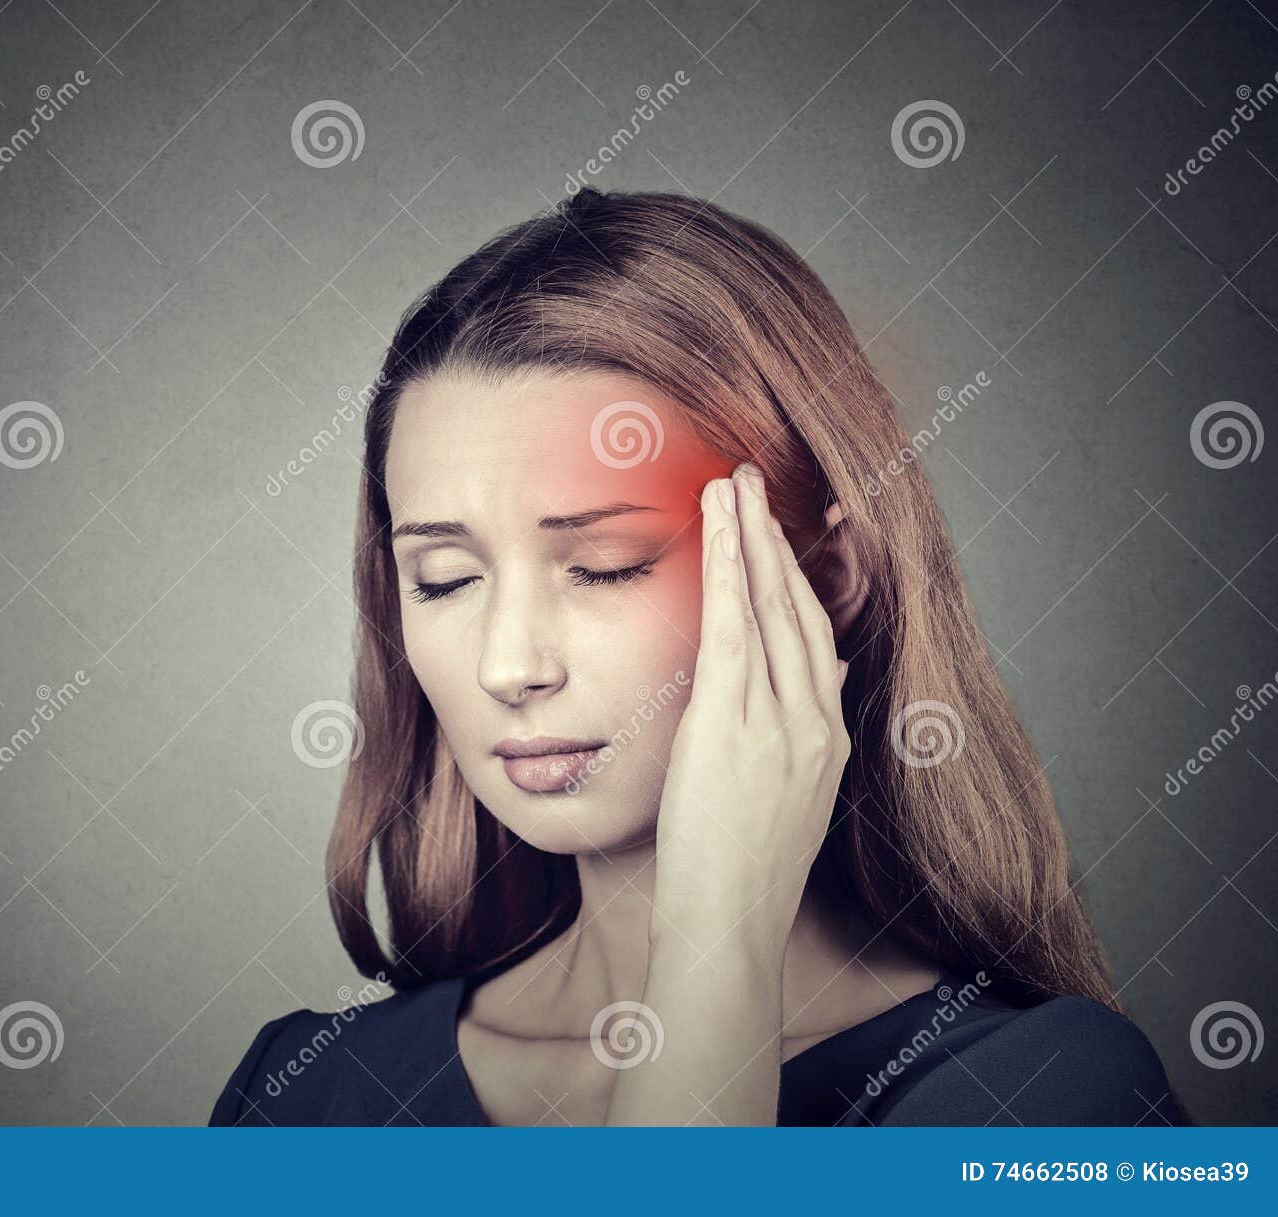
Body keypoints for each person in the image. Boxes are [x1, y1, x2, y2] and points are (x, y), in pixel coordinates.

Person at [209, 188, 1181, 1127]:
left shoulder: (1045, 1101)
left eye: (602, 565)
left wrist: (720, 936)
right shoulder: (305, 1095)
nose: (509, 666)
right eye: (445, 579)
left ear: (826, 576)